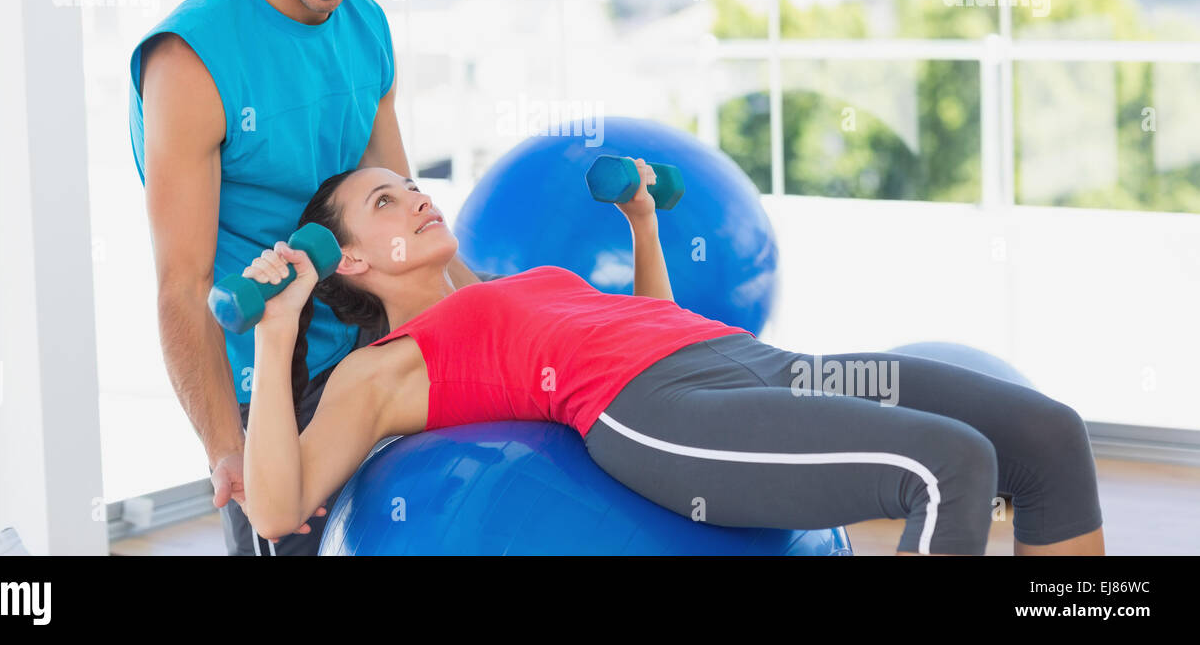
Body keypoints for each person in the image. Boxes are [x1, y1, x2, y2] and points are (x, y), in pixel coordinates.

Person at [240, 158, 1106, 556]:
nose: (418, 200)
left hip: (747, 361)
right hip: (659, 413)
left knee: (1047, 436)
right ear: (348, 259)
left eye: (413, 186)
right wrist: (277, 329)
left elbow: (653, 319)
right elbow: (278, 511)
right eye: (386, 203)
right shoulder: (383, 367)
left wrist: (643, 225)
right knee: (947, 466)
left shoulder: (506, 289)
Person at [127, 0, 480, 556]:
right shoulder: (189, 62)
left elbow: (407, 215)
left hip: (376, 360)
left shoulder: (368, 27)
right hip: (271, 394)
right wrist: (229, 449)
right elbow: (181, 286)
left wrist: (500, 316)